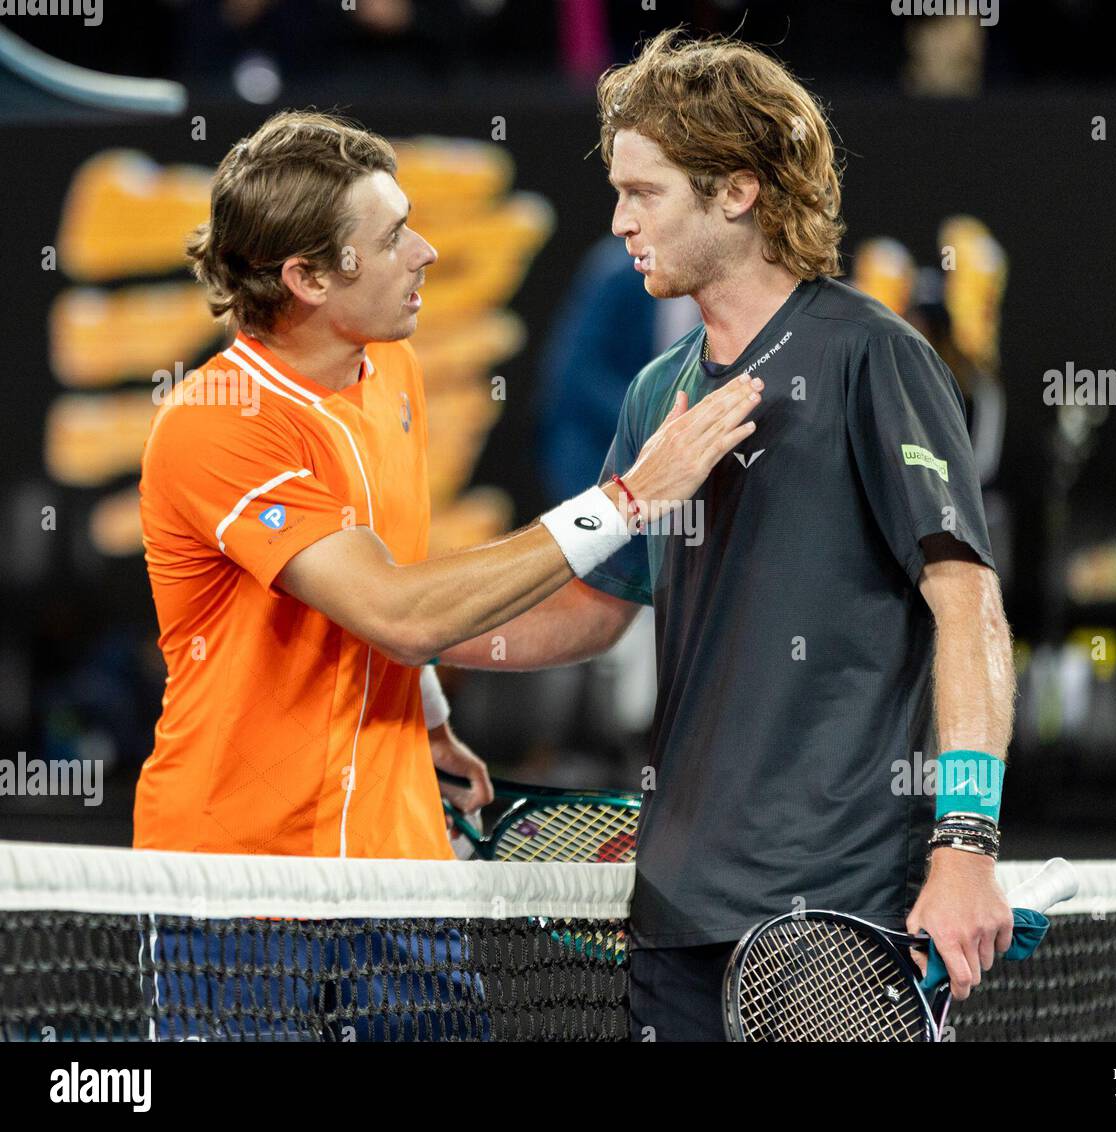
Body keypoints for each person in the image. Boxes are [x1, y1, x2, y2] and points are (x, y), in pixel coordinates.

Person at [439, 30, 1017, 1041]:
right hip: (671, 913)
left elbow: (966, 602)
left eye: (644, 192)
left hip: (835, 914)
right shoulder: (654, 393)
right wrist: (407, 633)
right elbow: (592, 609)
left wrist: (965, 842)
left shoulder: (874, 358)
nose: (618, 221)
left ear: (737, 192)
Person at [133, 108, 762, 1038]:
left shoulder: (392, 374)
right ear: (307, 277)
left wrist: (424, 715)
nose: (425, 251)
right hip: (238, 890)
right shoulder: (216, 423)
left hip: (400, 877)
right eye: (389, 239)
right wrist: (627, 501)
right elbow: (395, 611)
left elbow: (391, 581)